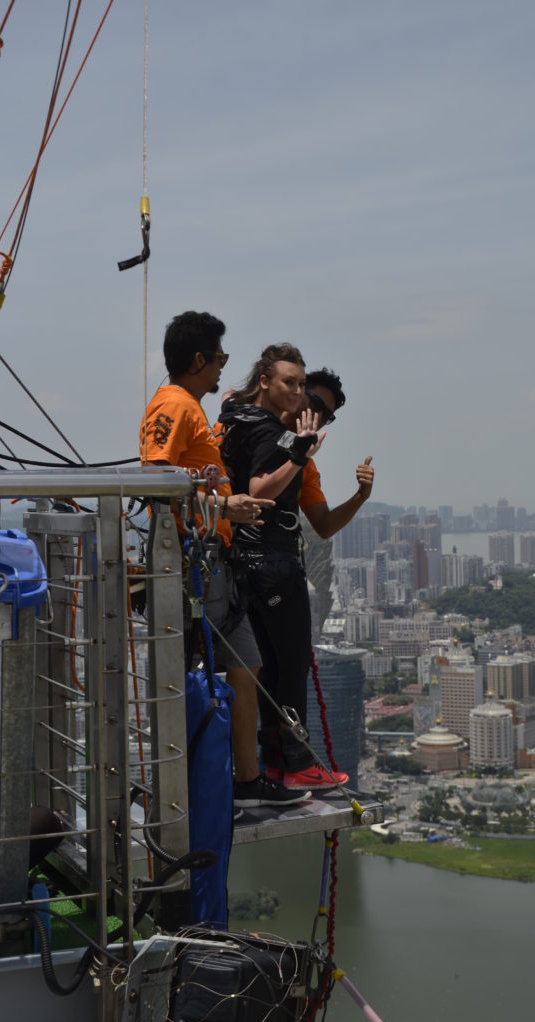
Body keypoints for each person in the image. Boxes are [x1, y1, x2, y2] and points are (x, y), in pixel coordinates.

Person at [140, 311, 310, 808]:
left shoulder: (191, 406)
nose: (221, 368)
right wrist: (224, 506)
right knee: (191, 668)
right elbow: (156, 478)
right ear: (199, 359)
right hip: (193, 557)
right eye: (219, 358)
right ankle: (180, 789)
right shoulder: (175, 405)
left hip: (213, 557)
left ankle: (247, 780)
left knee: (247, 664)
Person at [218, 344, 349, 790]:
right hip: (271, 561)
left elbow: (324, 524)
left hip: (242, 560)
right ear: (267, 383)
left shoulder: (236, 417)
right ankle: (291, 764)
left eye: (321, 412)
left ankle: (272, 766)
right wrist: (297, 452)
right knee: (288, 665)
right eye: (295, 389)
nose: (303, 403)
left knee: (268, 667)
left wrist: (361, 495)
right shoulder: (273, 433)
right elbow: (259, 490)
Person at [291, 367, 374, 539]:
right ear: (299, 393)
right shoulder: (255, 429)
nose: (319, 416)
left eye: (327, 415)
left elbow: (324, 525)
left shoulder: (305, 465)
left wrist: (361, 495)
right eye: (316, 403)